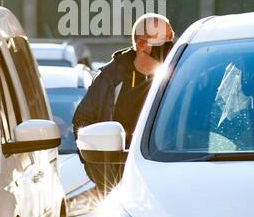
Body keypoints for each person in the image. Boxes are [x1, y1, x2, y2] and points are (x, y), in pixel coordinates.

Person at [73, 12, 176, 142]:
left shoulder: (177, 78)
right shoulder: (109, 78)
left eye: (170, 38)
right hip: (119, 162)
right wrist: (99, 158)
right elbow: (82, 122)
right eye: (162, 39)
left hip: (159, 161)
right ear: (141, 45)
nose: (169, 44)